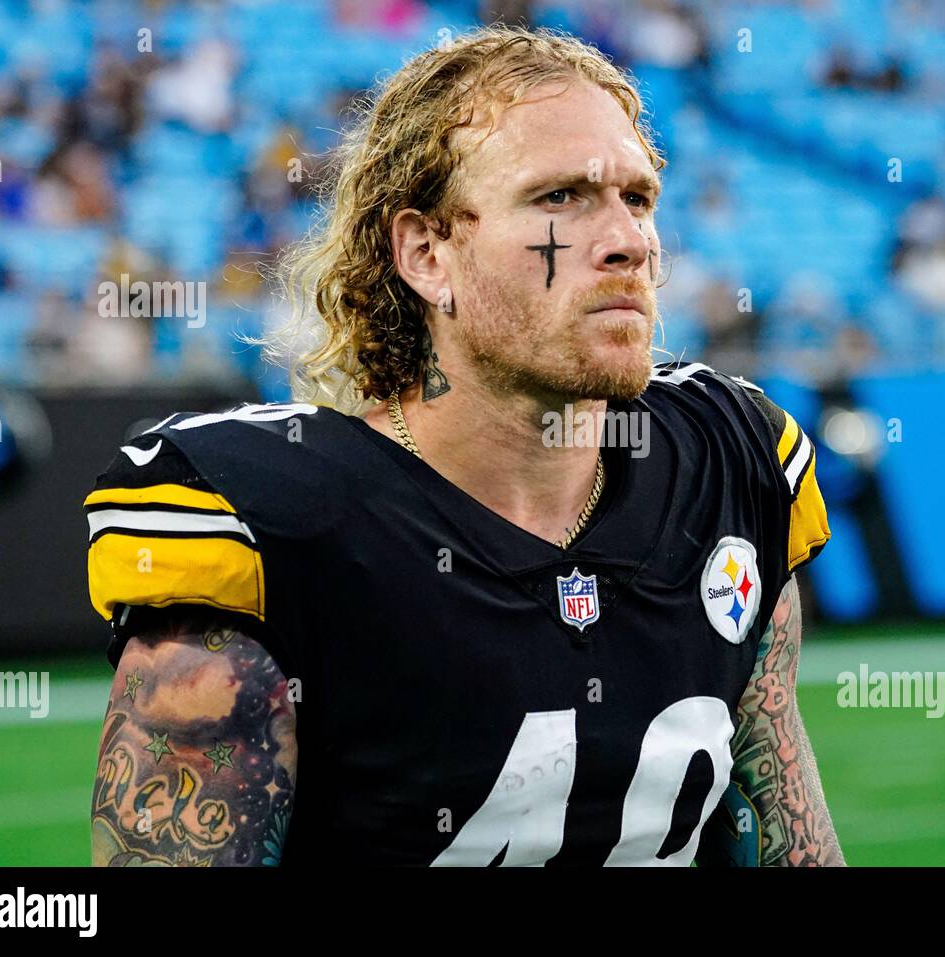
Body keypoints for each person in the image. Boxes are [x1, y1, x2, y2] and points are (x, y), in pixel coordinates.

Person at [84, 25, 840, 867]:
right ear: (426, 254)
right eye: (559, 197)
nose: (627, 239)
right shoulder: (281, 525)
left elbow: (791, 839)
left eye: (639, 197)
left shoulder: (729, 459)